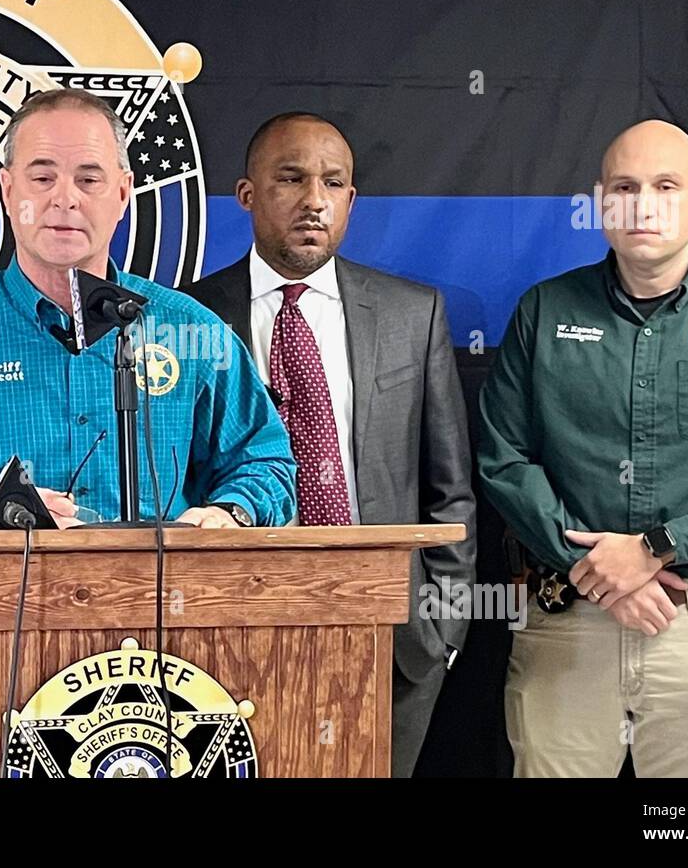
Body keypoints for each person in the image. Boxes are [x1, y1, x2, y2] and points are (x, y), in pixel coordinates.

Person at [478, 119, 688, 777]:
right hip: (569, 626)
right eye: (625, 187)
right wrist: (600, 573)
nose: (644, 204)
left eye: (666, 186)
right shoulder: (544, 311)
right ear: (601, 200)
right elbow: (504, 457)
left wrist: (656, 547)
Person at [0, 88, 295, 531]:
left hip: (157, 600)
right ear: (6, 188)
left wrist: (230, 512)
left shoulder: (190, 329)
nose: (65, 198)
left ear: (122, 193)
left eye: (88, 179)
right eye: (42, 178)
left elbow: (266, 463)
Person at [184, 112, 477, 778]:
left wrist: (444, 628)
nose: (314, 199)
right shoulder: (186, 317)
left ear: (350, 200)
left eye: (333, 182)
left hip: (393, 635)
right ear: (248, 194)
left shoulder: (413, 313)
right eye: (291, 178)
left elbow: (450, 486)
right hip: (234, 630)